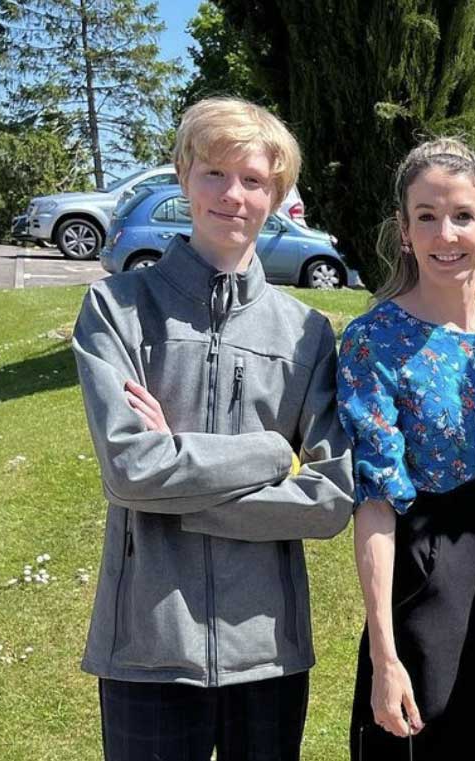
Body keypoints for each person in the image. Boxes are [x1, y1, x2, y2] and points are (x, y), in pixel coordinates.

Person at [72, 96, 355, 761]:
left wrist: (178, 493)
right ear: (183, 176)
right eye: (214, 175)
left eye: (254, 180)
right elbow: (129, 469)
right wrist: (267, 453)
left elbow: (332, 497)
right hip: (148, 641)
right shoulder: (117, 309)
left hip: (269, 648)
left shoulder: (306, 333)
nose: (234, 196)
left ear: (277, 196)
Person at [337, 138, 475, 761]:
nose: (446, 234)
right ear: (404, 230)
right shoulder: (373, 340)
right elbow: (374, 502)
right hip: (423, 588)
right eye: (427, 216)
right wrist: (385, 653)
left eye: (462, 216)